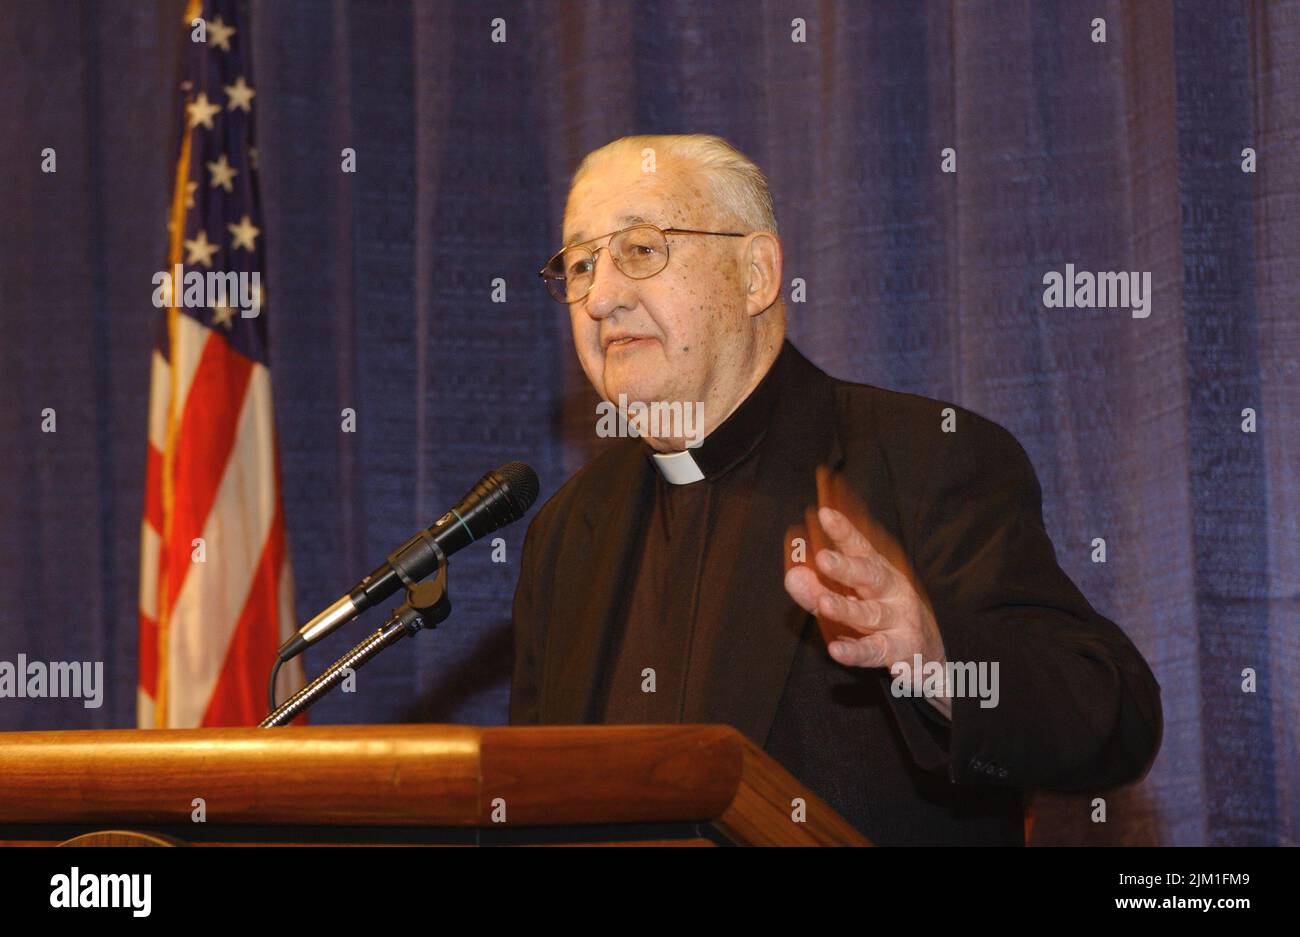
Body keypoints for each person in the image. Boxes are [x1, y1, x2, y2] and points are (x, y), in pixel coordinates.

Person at [510, 133, 1162, 845]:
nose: (601, 296)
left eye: (640, 249)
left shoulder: (923, 458)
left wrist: (938, 658)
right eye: (579, 264)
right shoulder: (567, 531)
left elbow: (1113, 714)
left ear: (755, 273)